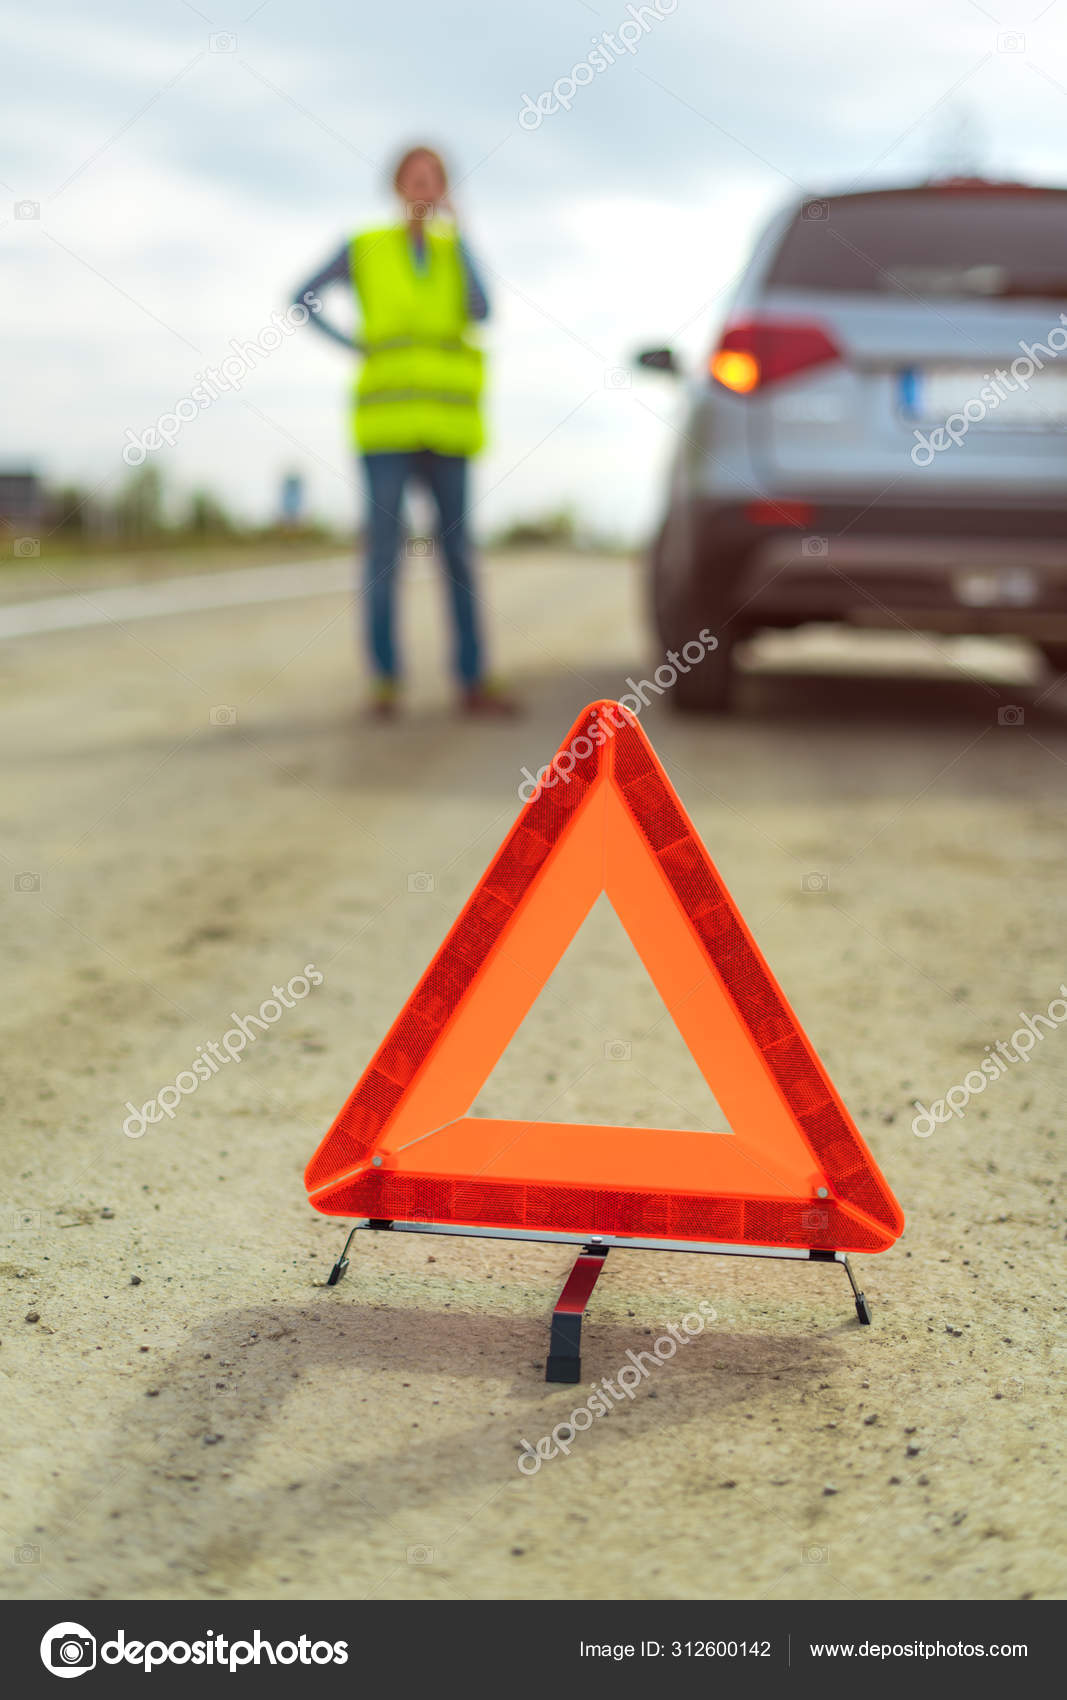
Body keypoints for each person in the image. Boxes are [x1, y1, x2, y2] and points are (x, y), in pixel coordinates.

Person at [293, 144, 516, 717]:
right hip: (387, 425)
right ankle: (385, 681)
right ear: (397, 186)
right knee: (384, 555)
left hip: (448, 426)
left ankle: (472, 679)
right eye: (415, 179)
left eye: (434, 180)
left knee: (458, 555)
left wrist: (461, 234)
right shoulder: (366, 247)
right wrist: (352, 344)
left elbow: (483, 310)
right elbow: (303, 298)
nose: (424, 190)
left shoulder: (452, 251)